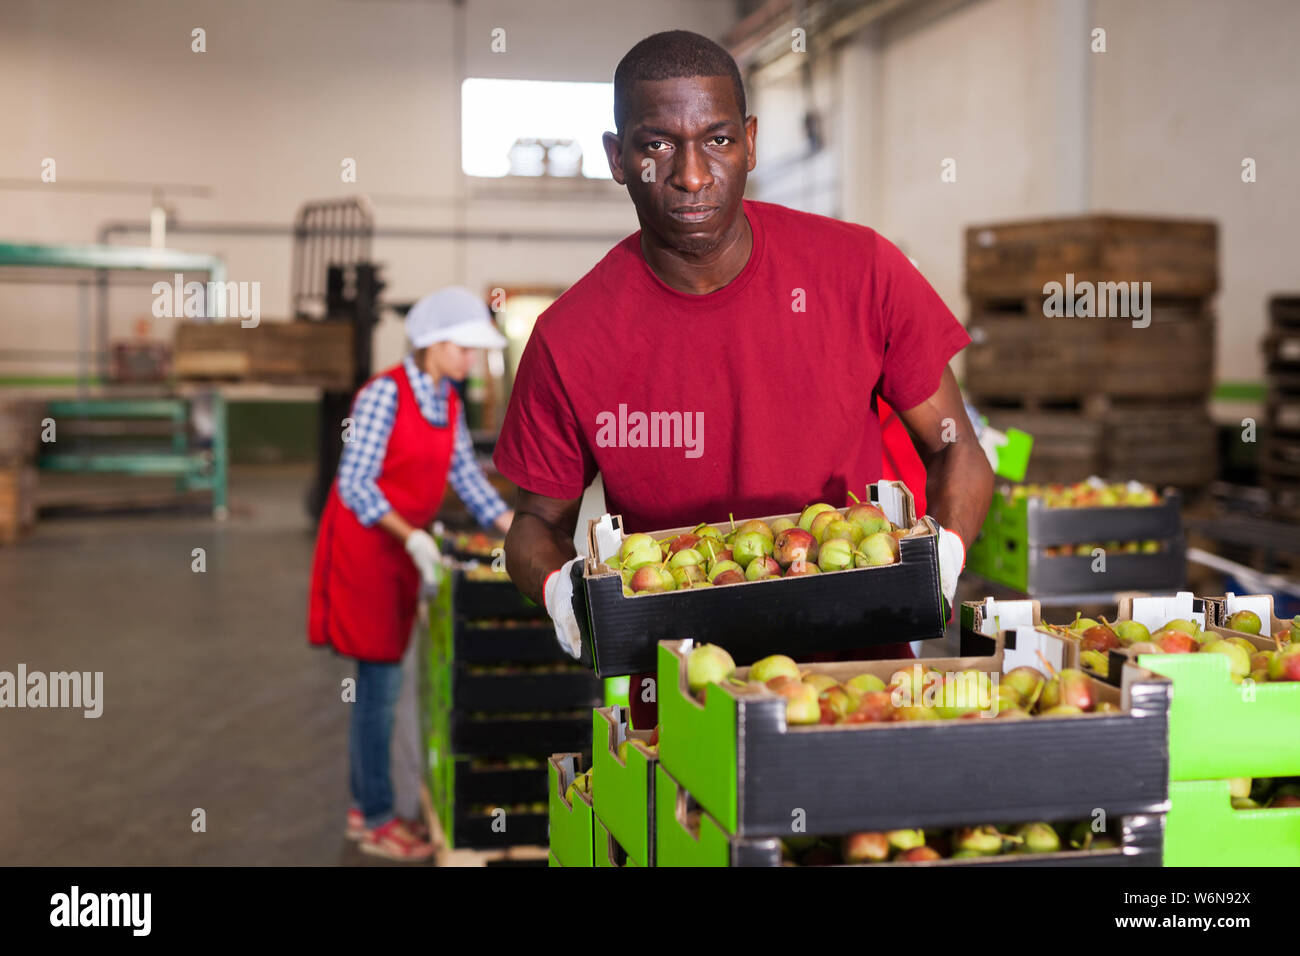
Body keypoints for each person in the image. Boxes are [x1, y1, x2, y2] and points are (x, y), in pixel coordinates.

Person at [494, 31, 993, 727]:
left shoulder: (859, 272)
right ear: (617, 158)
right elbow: (535, 523)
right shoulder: (570, 337)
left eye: (718, 140)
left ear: (751, 144)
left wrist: (945, 550)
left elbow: (955, 447)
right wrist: (557, 590)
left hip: (861, 681)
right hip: (681, 696)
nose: (692, 175)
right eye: (657, 144)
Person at [308, 286, 513, 861]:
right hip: (366, 550)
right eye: (465, 350)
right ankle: (373, 819)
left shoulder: (447, 400)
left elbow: (467, 477)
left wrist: (515, 527)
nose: (471, 361)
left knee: (383, 681)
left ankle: (365, 809)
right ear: (434, 344)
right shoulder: (383, 396)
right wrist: (414, 537)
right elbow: (354, 484)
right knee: (378, 687)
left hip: (403, 550)